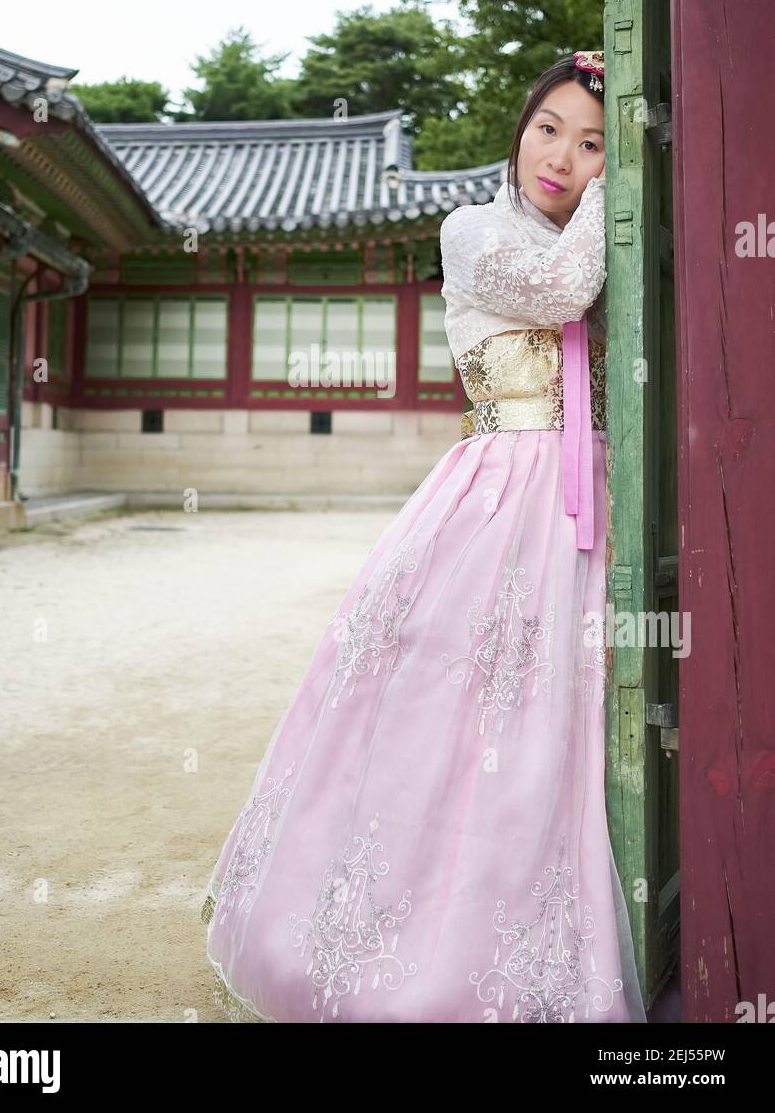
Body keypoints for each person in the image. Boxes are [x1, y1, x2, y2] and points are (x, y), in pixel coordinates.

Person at [200, 50, 648, 1025]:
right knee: (450, 724)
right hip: (499, 496)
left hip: (587, 499)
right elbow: (565, 293)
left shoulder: (591, 239)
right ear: (518, 126)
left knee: (554, 732)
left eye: (587, 142)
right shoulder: (472, 229)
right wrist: (617, 177)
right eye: (549, 129)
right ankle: (400, 960)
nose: (561, 158)